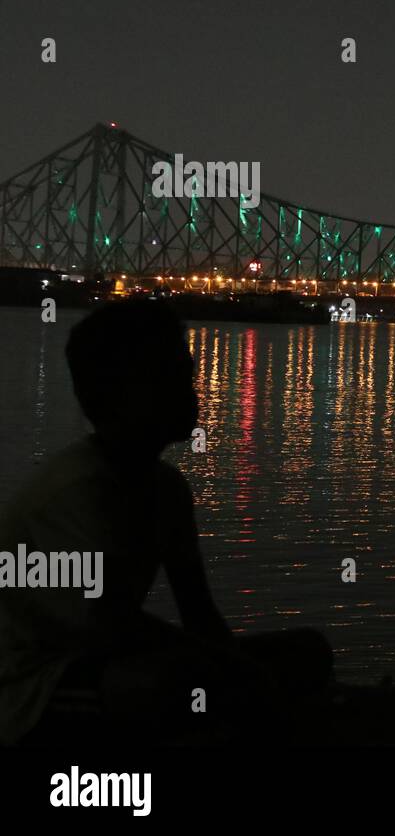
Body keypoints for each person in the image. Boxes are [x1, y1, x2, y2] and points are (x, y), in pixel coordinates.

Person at [0, 298, 332, 744]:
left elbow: (198, 612)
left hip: (106, 660)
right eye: (173, 375)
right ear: (119, 394)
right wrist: (229, 667)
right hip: (30, 686)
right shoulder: (77, 494)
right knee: (172, 684)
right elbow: (112, 627)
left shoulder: (167, 488)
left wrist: (233, 664)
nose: (192, 388)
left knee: (305, 653)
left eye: (187, 372)